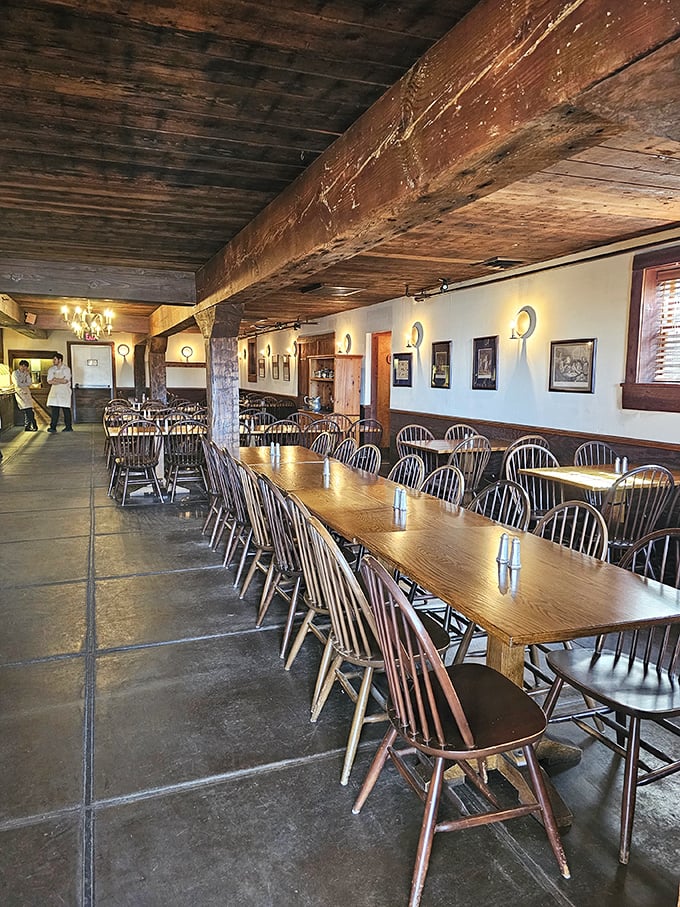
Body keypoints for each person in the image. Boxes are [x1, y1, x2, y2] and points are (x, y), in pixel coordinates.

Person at [46, 353, 73, 432]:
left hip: (64, 392)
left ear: (60, 360)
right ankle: (53, 427)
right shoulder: (51, 369)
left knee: (66, 410)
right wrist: (60, 380)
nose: (53, 361)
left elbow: (65, 380)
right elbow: (49, 381)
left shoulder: (66, 369)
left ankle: (68, 427)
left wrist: (55, 379)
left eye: (55, 359)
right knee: (54, 410)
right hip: (55, 391)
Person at [12, 360, 38, 431]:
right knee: (27, 409)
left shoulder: (26, 373)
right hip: (20, 393)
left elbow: (29, 383)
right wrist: (24, 383)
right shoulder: (15, 373)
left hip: (27, 392)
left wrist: (23, 383)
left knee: (29, 409)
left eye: (25, 366)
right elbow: (17, 384)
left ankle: (28, 426)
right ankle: (33, 423)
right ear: (19, 366)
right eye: (22, 366)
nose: (23, 368)